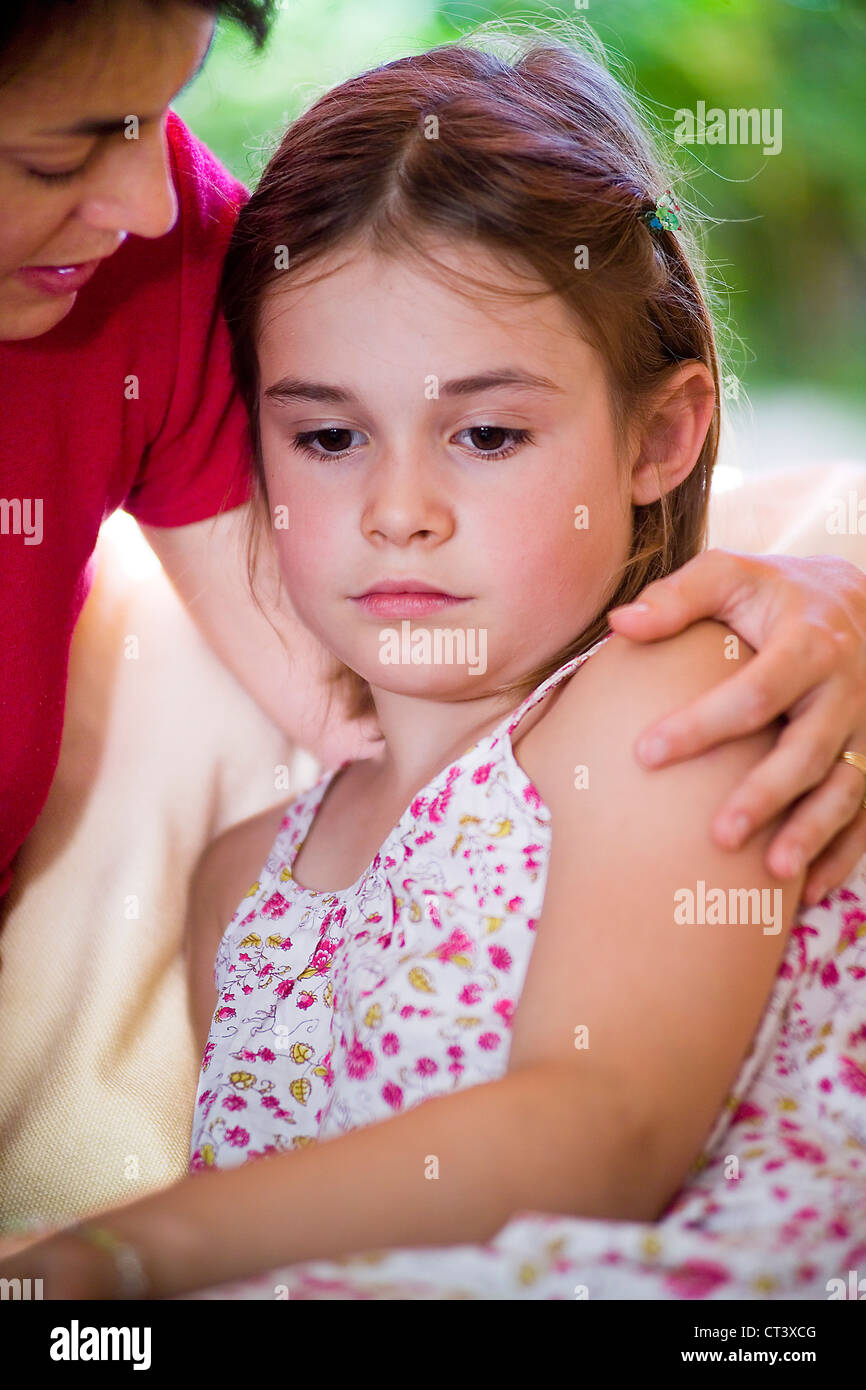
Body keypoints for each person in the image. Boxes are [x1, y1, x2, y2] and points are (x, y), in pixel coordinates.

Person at [4, 28, 865, 1300]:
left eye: (486, 431)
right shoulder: (240, 887)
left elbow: (600, 1129)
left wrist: (110, 1257)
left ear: (660, 439)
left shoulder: (664, 704)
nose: (398, 508)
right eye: (331, 434)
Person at [1, 0, 866, 913]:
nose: (153, 204)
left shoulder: (668, 725)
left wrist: (824, 598)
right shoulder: (239, 887)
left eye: (487, 435)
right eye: (52, 157)